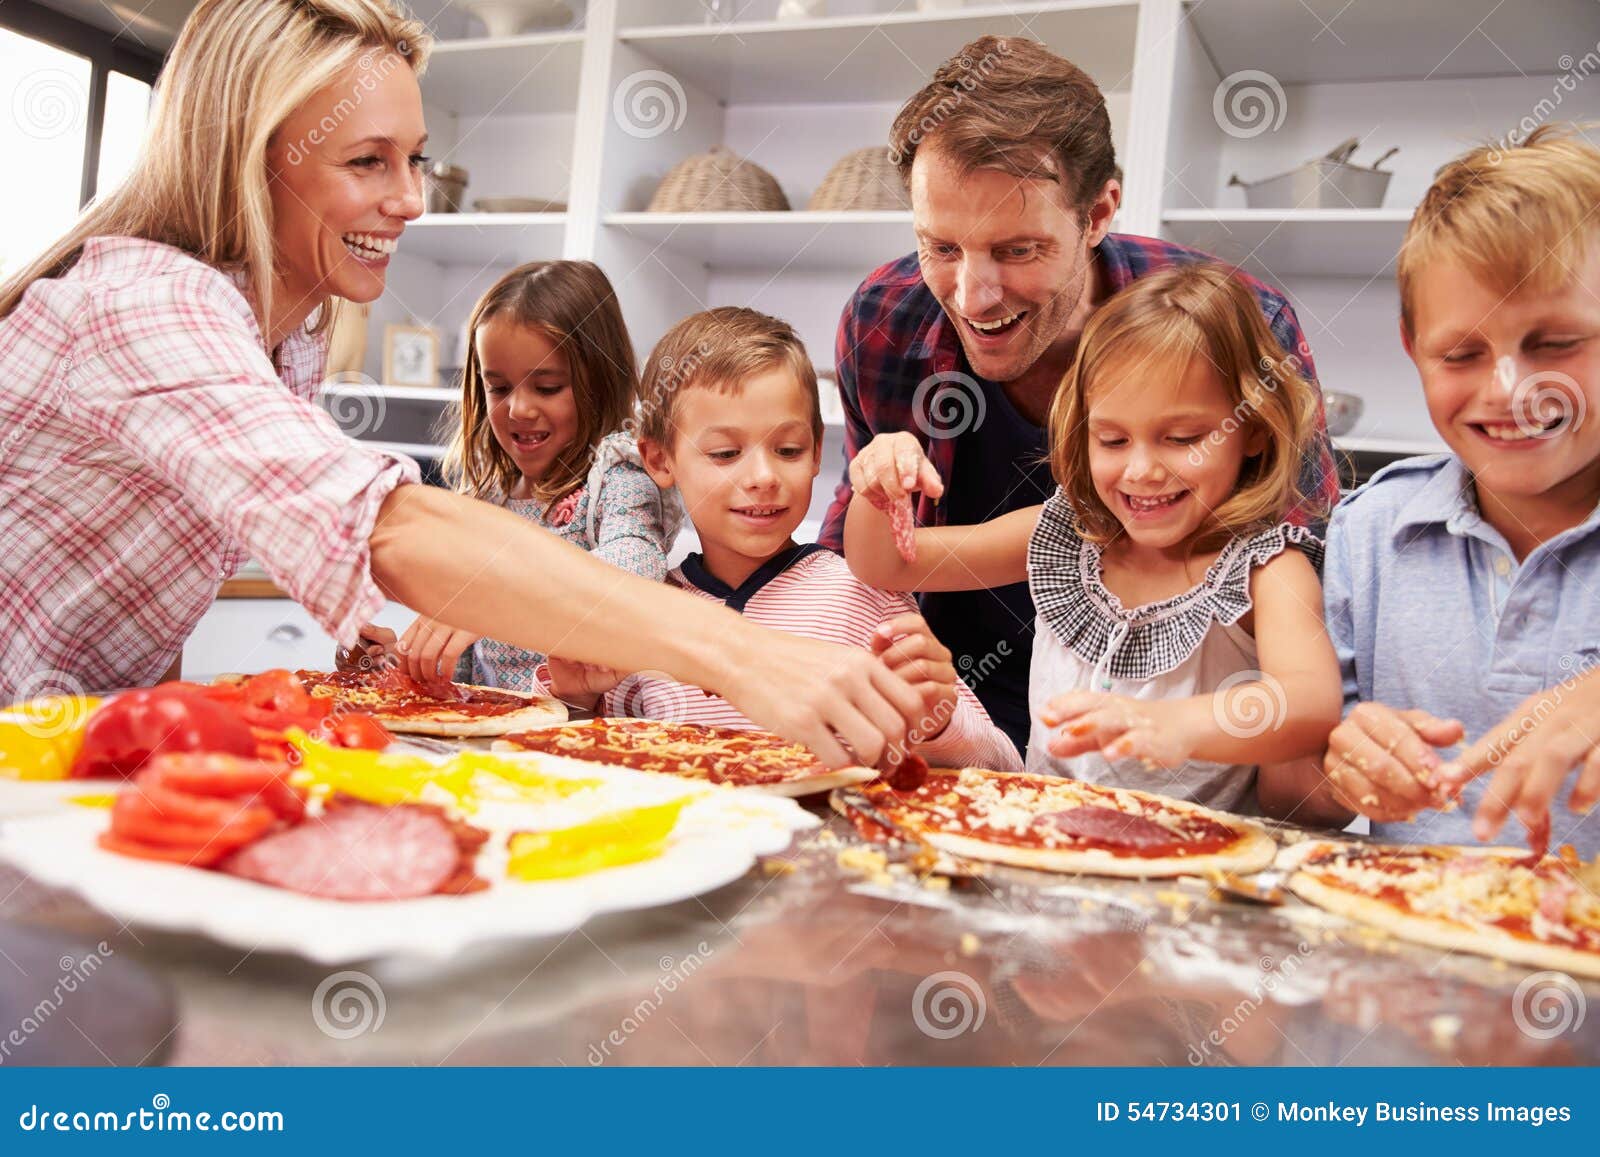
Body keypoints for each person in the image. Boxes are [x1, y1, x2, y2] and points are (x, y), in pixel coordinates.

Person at [0, 0, 919, 769]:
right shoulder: (147, 303)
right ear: (250, 154)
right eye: (367, 160)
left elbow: (303, 525)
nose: (411, 199)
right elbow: (391, 528)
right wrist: (745, 654)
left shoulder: (294, 332)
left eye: (415, 158)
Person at [824, 35, 1339, 756]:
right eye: (941, 247)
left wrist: (1189, 736)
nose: (972, 297)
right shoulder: (884, 322)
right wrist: (878, 486)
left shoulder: (1241, 331)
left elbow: (1317, 653)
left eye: (1017, 249)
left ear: (1098, 214)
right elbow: (877, 566)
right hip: (962, 738)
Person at [845, 264, 1342, 814]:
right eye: (1112, 439)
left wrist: (1168, 724)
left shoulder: (1267, 568)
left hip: (1191, 876)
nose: (1142, 470)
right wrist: (879, 481)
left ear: (1250, 430)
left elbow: (1309, 704)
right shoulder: (1067, 536)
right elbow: (887, 564)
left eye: (1181, 438)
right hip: (1044, 849)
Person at [1296, 124, 1600, 855]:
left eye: (1556, 343)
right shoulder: (1370, 531)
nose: (1513, 390)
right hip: (1413, 930)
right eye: (1462, 353)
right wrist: (1341, 763)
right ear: (1414, 348)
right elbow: (1304, 789)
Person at [549, 307, 1021, 773]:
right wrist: (576, 699)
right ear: (658, 460)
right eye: (725, 453)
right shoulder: (637, 609)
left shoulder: (861, 596)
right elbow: (581, 771)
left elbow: (1001, 766)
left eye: (788, 450)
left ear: (817, 450)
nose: (762, 476)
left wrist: (934, 721)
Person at [353, 261, 681, 690]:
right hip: (500, 732)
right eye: (500, 388)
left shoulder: (617, 476)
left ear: (600, 381)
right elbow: (466, 675)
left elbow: (634, 567)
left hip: (584, 732)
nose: (519, 409)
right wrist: (397, 664)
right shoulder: (487, 500)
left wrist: (494, 598)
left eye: (546, 388)